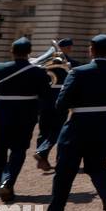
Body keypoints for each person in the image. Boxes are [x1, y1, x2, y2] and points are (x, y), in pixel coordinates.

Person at [42, 35, 106, 211]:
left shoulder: (78, 72)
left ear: (91, 49)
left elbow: (61, 103)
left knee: (64, 174)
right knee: (98, 168)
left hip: (77, 127)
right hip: (104, 126)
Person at [0, 36, 53, 202]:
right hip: (25, 116)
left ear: (11, 51)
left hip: (1, 114)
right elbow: (46, 96)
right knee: (18, 151)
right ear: (29, 52)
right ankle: (7, 182)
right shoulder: (38, 71)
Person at [33, 36, 76, 173]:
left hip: (45, 100)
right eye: (68, 47)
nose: (69, 49)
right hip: (60, 100)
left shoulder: (45, 64)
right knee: (57, 129)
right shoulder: (73, 64)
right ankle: (43, 152)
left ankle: (42, 159)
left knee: (44, 130)